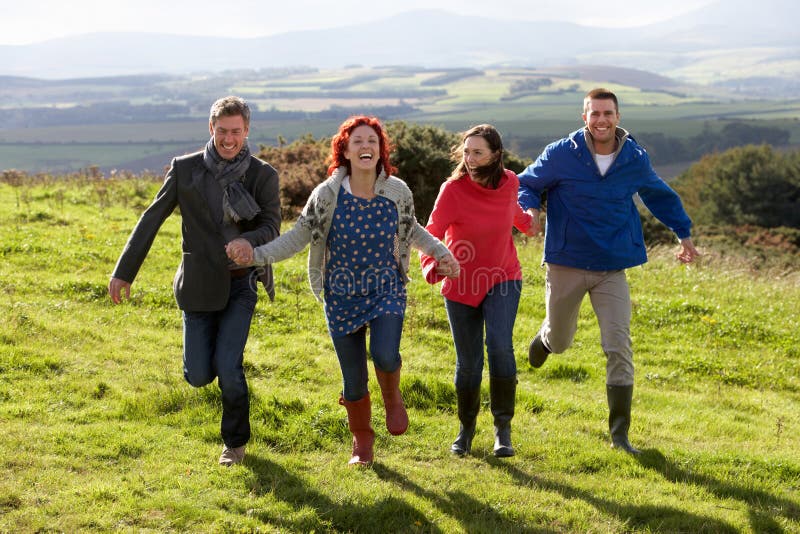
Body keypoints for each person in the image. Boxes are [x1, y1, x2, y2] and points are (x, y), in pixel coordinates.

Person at [227, 115, 458, 467]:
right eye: (358, 142)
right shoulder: (327, 195)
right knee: (353, 382)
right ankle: (362, 441)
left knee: (384, 355)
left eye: (372, 141)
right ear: (346, 151)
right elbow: (297, 237)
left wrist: (441, 252)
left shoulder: (398, 192)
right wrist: (256, 255)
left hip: (386, 288)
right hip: (341, 294)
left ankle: (392, 396)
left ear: (381, 151)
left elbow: (412, 232)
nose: (366, 146)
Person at [517, 88, 700, 454]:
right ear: (584, 117)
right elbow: (527, 183)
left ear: (618, 117)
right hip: (566, 262)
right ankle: (546, 339)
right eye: (594, 113)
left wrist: (684, 236)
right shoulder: (561, 154)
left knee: (618, 345)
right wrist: (531, 211)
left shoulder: (633, 157)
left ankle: (620, 435)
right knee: (563, 341)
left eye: (608, 113)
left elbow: (659, 195)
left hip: (612, 267)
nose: (601, 120)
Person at [108, 96, 281, 466]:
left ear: (246, 130)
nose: (229, 139)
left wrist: (245, 242)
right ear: (211, 129)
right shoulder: (185, 170)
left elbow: (271, 226)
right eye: (222, 132)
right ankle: (214, 363)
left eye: (236, 132)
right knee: (200, 375)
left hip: (241, 284)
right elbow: (150, 219)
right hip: (198, 284)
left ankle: (234, 444)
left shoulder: (263, 175)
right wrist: (124, 272)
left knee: (230, 368)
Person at [420, 124, 535, 458]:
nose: (469, 159)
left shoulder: (510, 182)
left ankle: (503, 430)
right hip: (461, 284)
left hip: (503, 276)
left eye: (478, 152)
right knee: (469, 363)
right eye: (466, 152)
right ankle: (466, 429)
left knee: (500, 347)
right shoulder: (452, 190)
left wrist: (529, 223)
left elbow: (512, 212)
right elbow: (431, 234)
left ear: (495, 155)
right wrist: (434, 266)